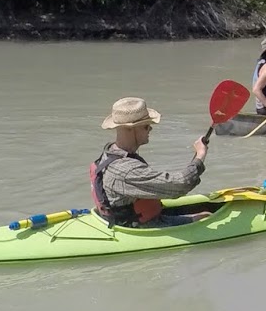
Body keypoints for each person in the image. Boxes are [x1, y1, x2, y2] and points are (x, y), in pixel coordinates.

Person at [90, 96, 210, 228]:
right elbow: (180, 185)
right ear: (130, 129)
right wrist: (200, 155)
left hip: (121, 216)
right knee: (206, 216)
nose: (151, 129)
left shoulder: (109, 152)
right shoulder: (126, 170)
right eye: (146, 126)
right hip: (136, 226)